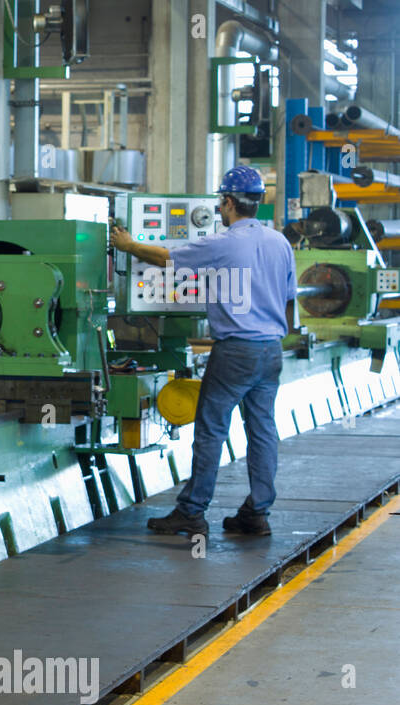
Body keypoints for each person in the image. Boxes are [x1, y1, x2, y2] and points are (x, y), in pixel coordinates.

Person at [109, 165, 297, 538]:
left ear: (227, 202)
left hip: (236, 351)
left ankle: (192, 512)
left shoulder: (223, 242)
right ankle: (257, 512)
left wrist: (128, 246)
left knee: (211, 429)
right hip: (271, 350)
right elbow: (290, 302)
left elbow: (168, 257)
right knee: (262, 430)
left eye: (221, 201)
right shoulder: (281, 243)